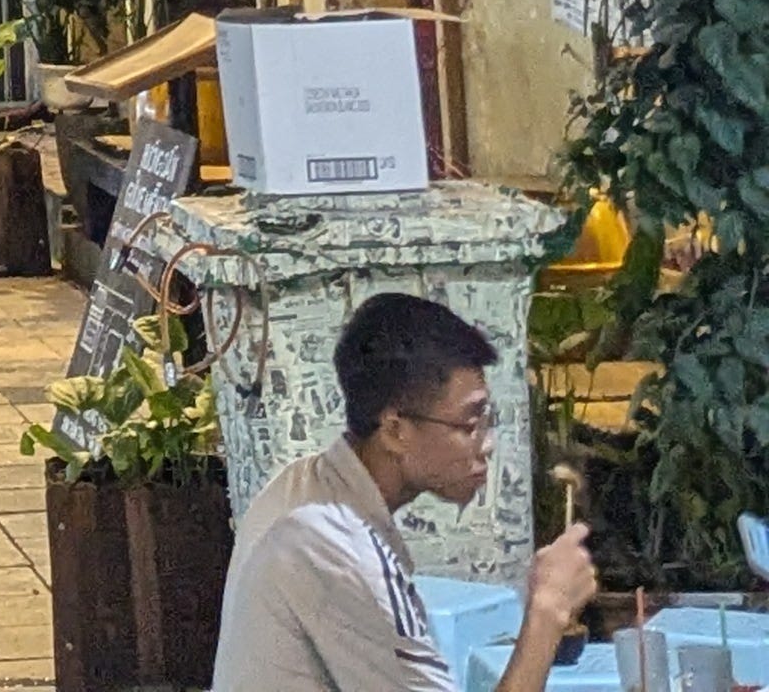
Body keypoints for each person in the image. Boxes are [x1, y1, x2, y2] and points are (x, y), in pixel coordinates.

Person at [211, 291, 596, 692]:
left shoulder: (300, 484)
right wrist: (548, 613)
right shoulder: (337, 548)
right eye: (469, 424)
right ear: (395, 429)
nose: (487, 444)